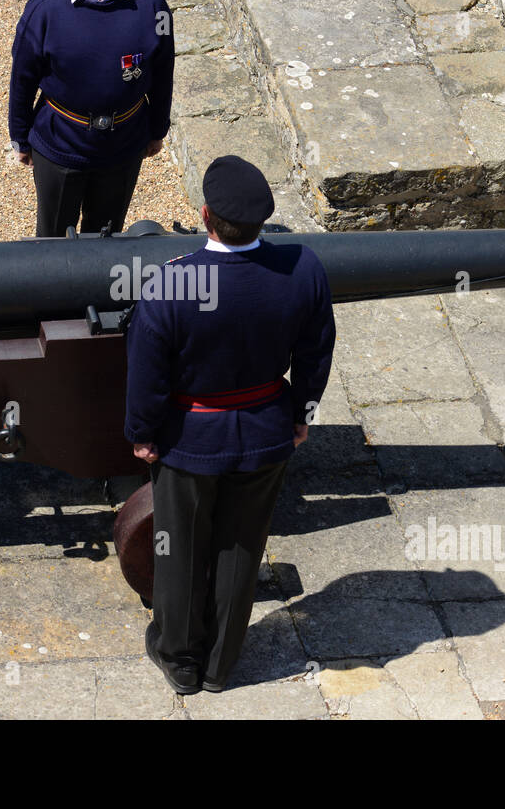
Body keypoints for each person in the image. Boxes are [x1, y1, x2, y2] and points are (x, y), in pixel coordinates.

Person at [124, 155, 336, 694]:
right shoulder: (304, 269)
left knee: (178, 549)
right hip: (266, 428)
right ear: (262, 222)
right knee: (241, 546)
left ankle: (179, 660)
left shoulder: (171, 284)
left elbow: (147, 374)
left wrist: (142, 434)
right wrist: (302, 414)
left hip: (189, 436)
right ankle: (219, 667)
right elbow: (316, 353)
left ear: (204, 216)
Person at [8, 0, 174, 237]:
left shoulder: (152, 5)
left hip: (123, 145)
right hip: (61, 145)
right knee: (54, 238)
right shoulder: (44, 10)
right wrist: (20, 137)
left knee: (107, 237)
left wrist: (158, 129)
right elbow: (23, 78)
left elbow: (163, 71)